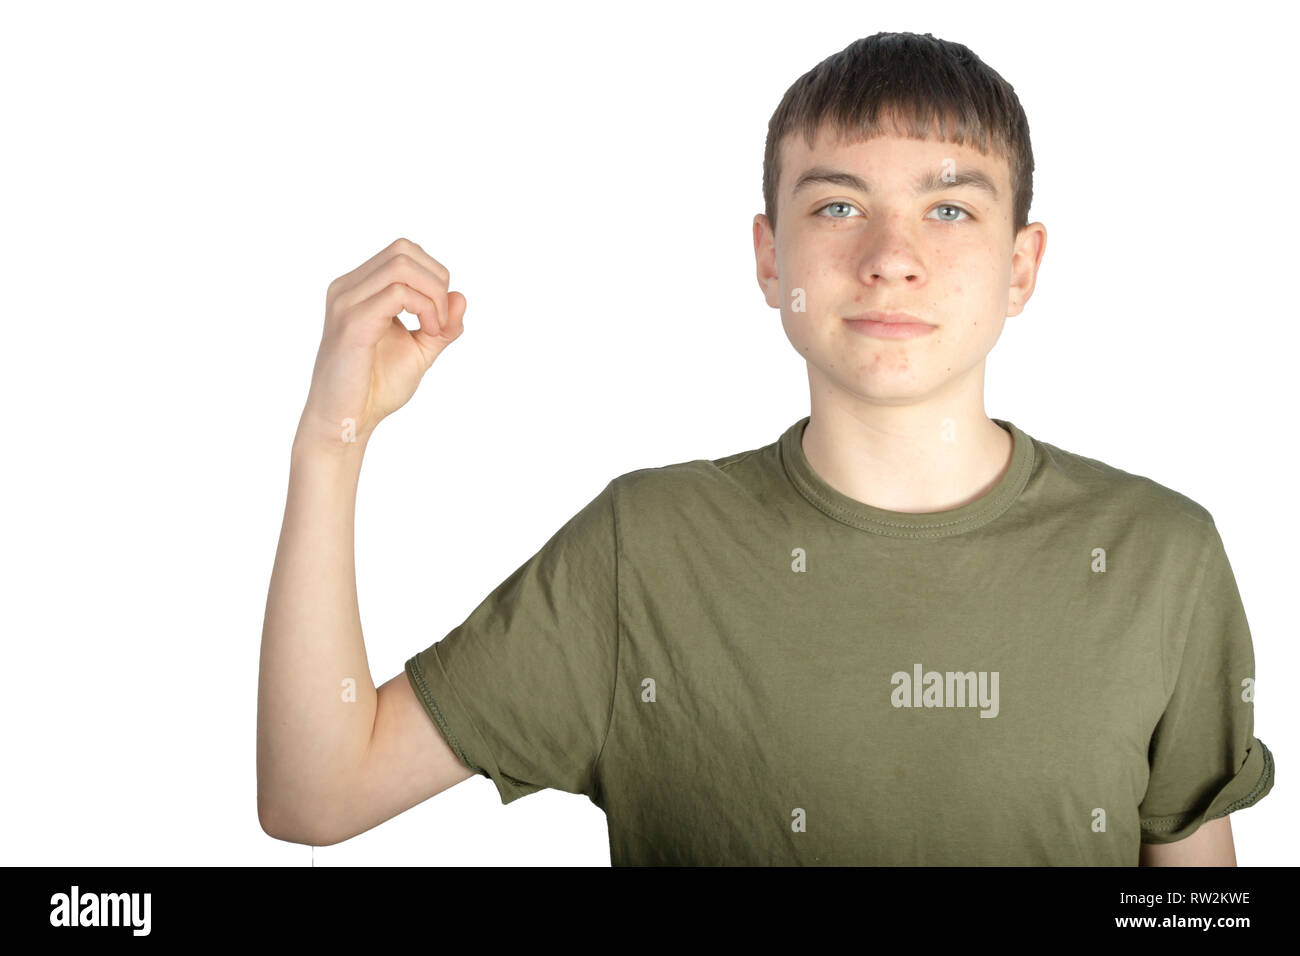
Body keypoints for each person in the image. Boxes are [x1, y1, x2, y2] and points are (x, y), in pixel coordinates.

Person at [256, 31, 1274, 865]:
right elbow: (319, 791)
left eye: (948, 208)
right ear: (767, 254)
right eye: (837, 205)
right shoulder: (643, 550)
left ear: (1021, 266)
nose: (889, 260)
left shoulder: (1160, 556)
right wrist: (330, 438)